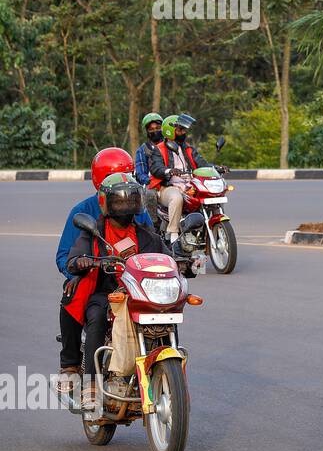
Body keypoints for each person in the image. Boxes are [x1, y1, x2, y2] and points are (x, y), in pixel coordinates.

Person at [61, 172, 169, 407]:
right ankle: (90, 383)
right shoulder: (93, 232)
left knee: (164, 316)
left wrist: (181, 262)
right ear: (106, 203)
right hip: (105, 294)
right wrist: (82, 261)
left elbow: (166, 255)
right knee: (97, 316)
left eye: (131, 199)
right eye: (119, 200)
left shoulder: (145, 233)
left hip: (140, 295)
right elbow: (73, 258)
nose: (126, 205)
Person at [55, 148, 153, 392]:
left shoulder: (139, 215)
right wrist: (79, 270)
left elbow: (156, 245)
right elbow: (65, 255)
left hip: (134, 284)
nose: (126, 200)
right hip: (98, 281)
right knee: (76, 294)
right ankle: (71, 366)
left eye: (131, 193)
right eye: (119, 198)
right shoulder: (86, 215)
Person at [145, 113, 214, 243]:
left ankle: (205, 229)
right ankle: (173, 234)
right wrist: (169, 170)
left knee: (208, 195)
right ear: (170, 132)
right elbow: (156, 168)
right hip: (167, 187)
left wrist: (215, 168)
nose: (183, 132)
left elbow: (202, 163)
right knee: (176, 198)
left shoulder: (188, 149)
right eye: (180, 130)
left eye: (184, 130)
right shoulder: (158, 150)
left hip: (190, 185)